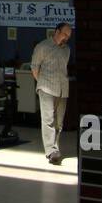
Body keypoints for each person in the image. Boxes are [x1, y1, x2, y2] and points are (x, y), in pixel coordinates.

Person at [30, 23, 73, 166]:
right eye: (64, 34)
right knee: (48, 119)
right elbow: (35, 68)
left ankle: (55, 148)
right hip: (46, 87)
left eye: (68, 36)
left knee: (59, 123)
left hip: (62, 88)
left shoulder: (66, 50)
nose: (66, 38)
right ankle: (51, 151)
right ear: (57, 31)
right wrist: (42, 83)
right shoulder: (43, 47)